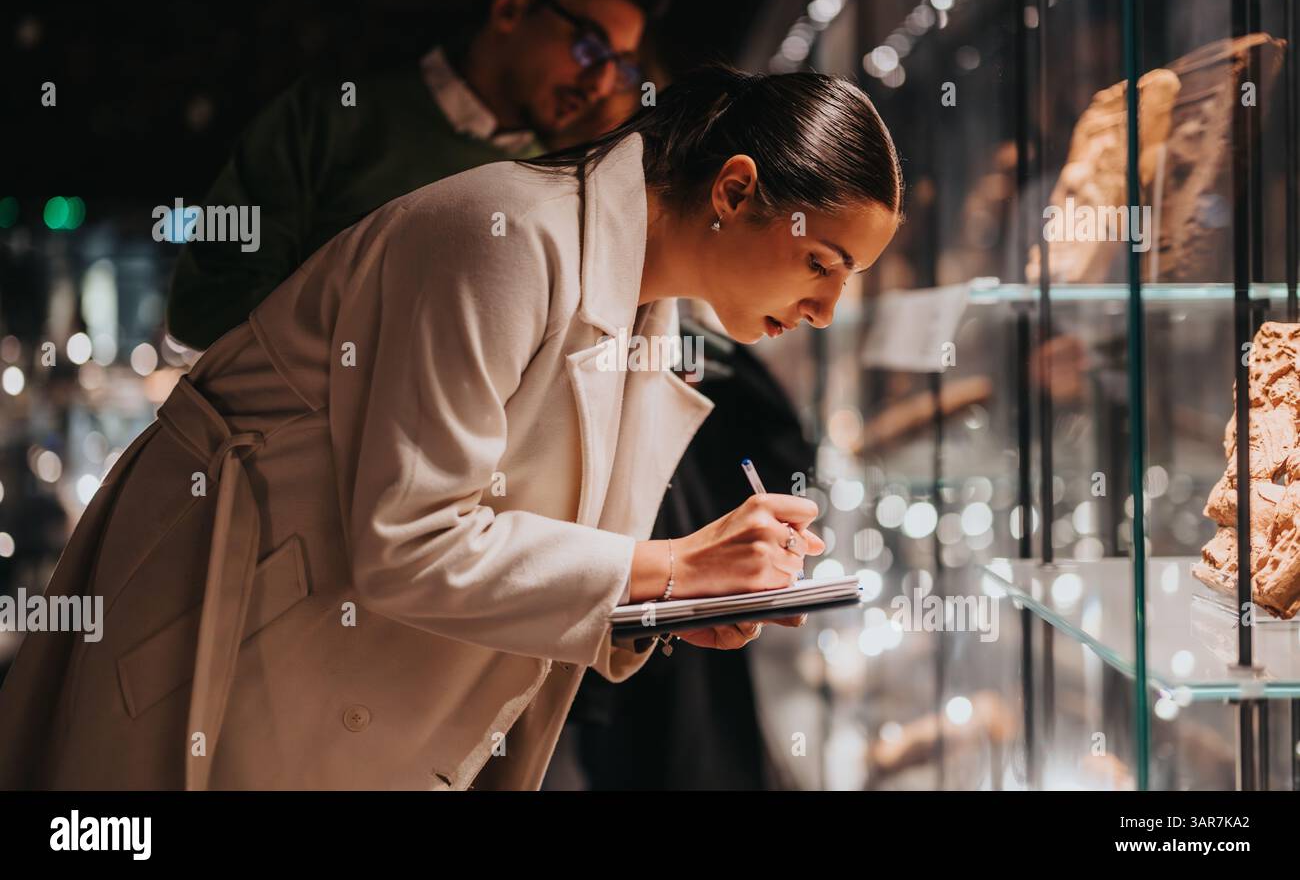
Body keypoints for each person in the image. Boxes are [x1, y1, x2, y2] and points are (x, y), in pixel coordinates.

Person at [0, 64, 903, 790]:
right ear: (736, 190)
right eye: (821, 262)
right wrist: (670, 566)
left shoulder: (647, 310)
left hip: (356, 686)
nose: (825, 307)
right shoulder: (505, 234)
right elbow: (411, 540)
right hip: (236, 651)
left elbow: (537, 553)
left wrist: (673, 599)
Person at [165, 0, 654, 350]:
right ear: (508, 7)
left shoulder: (553, 185)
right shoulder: (329, 116)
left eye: (623, 67)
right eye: (590, 48)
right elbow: (208, 306)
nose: (602, 83)